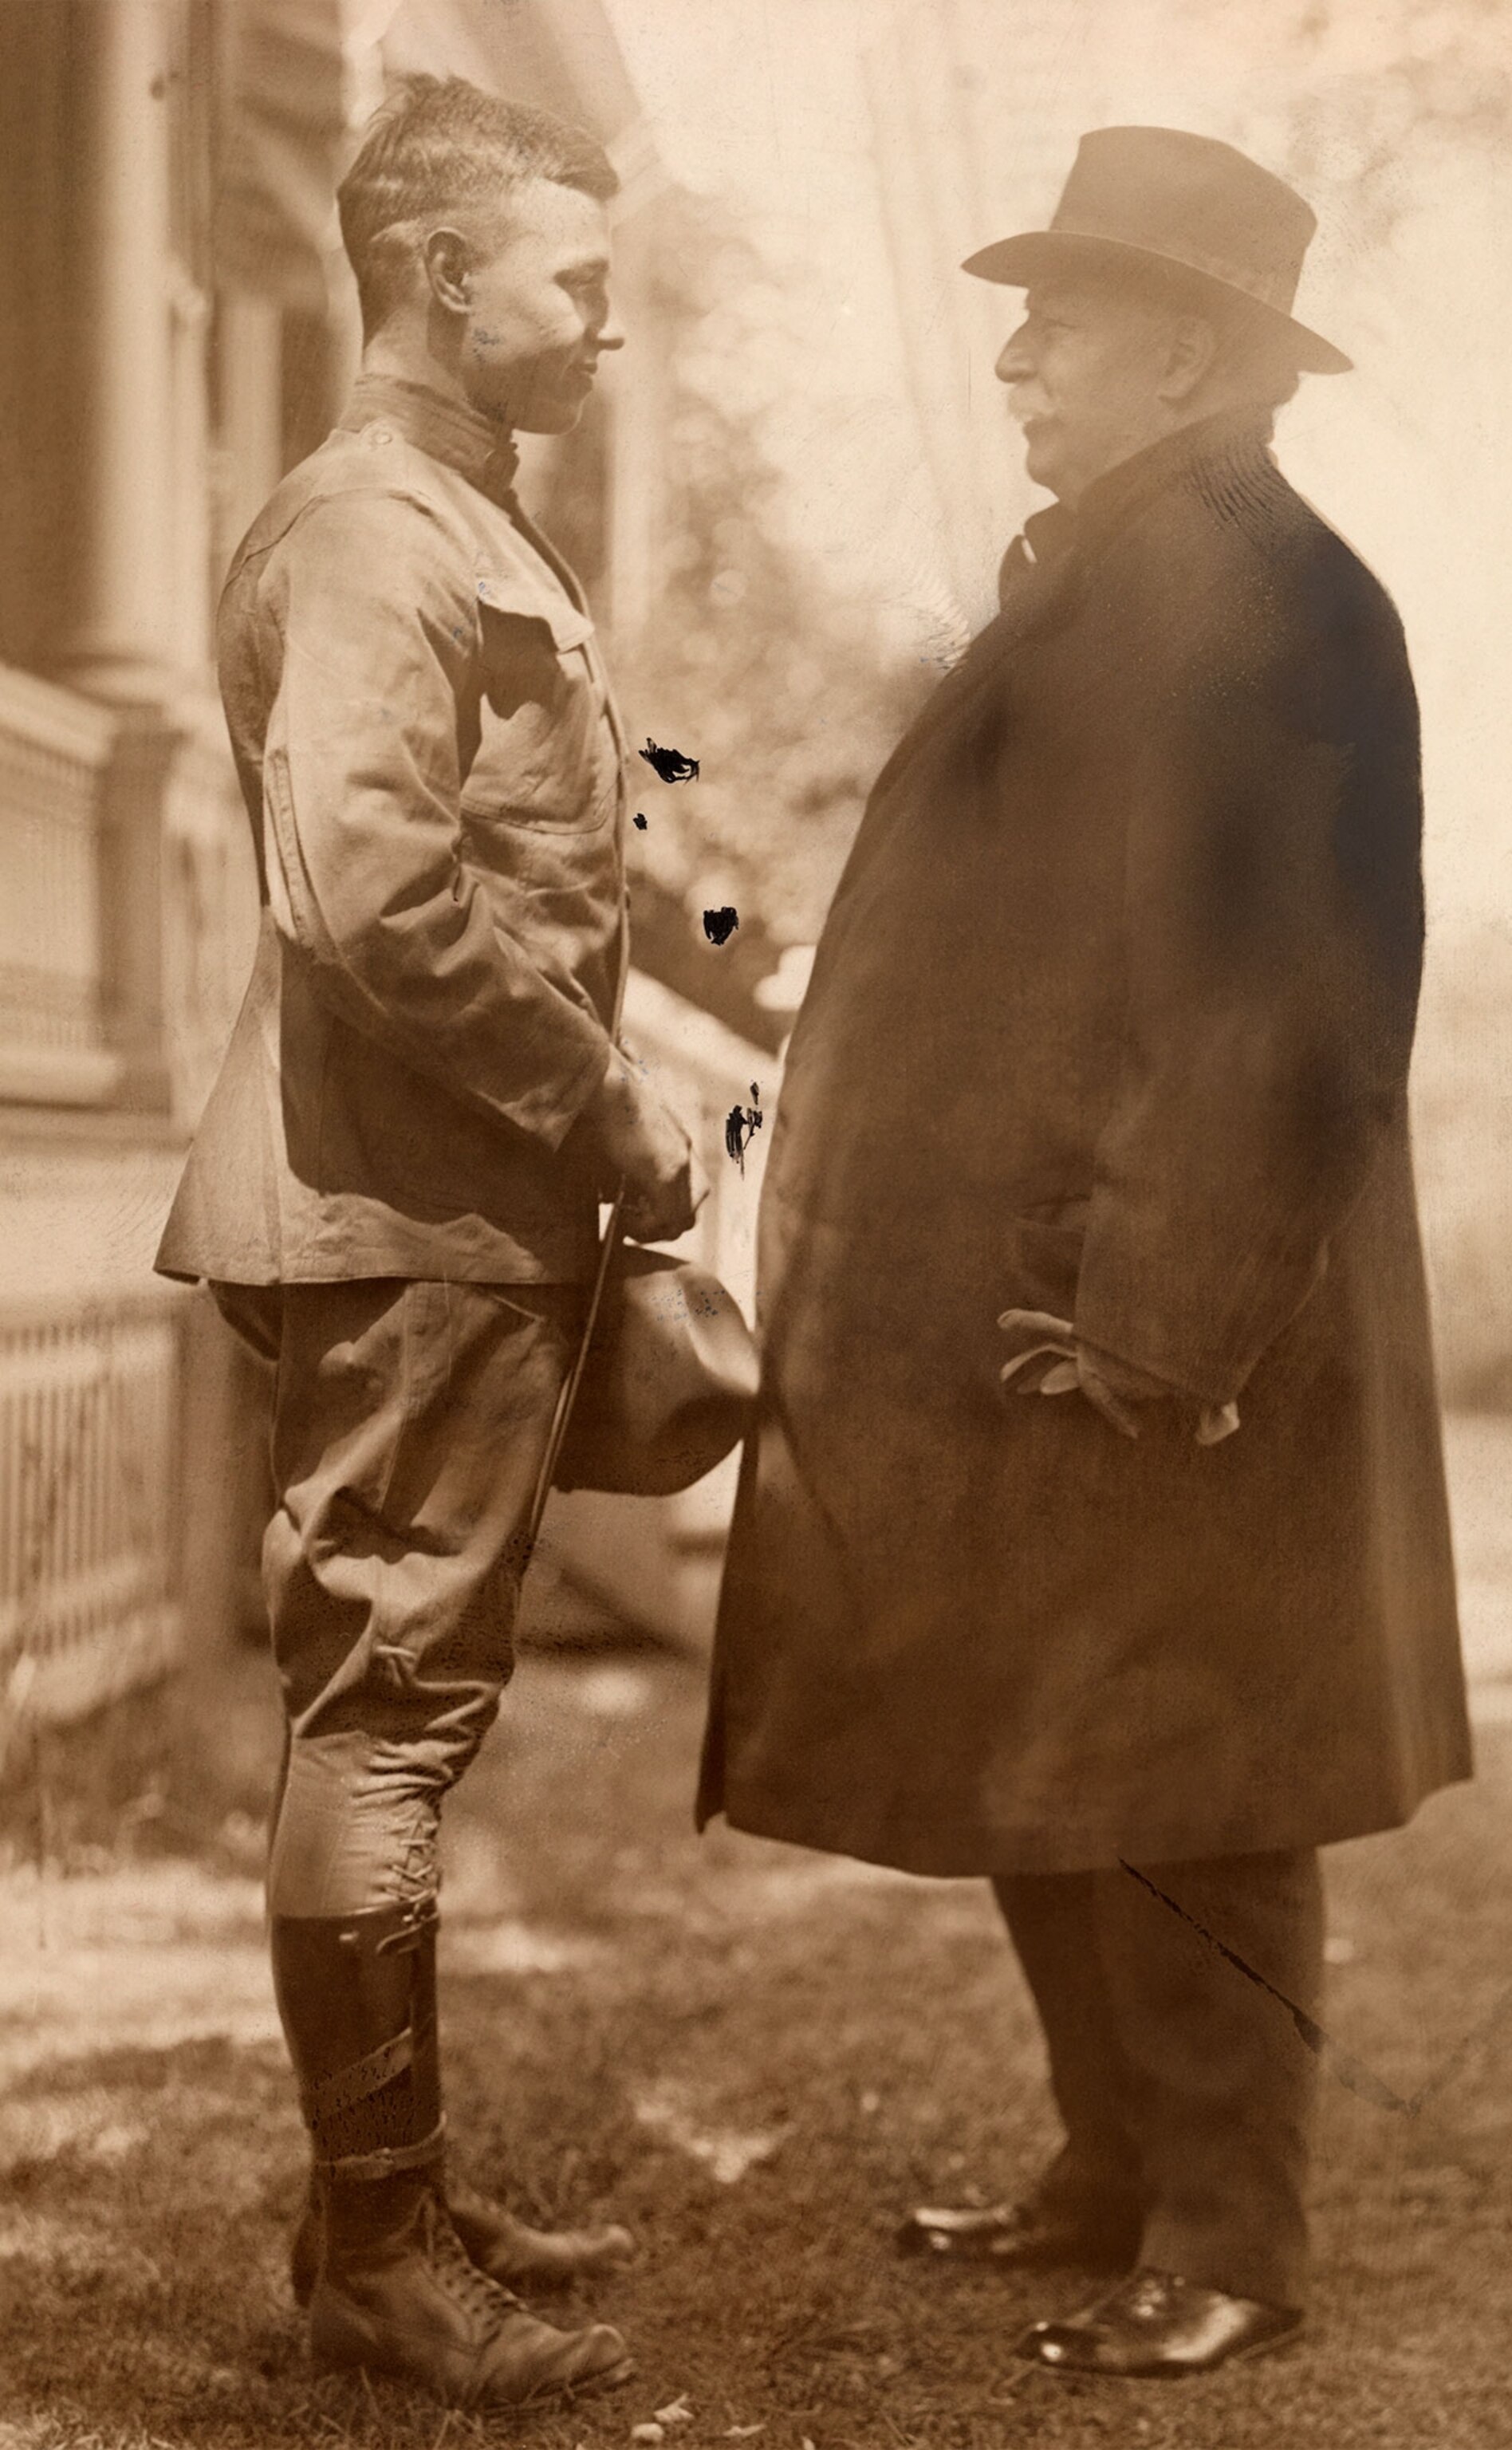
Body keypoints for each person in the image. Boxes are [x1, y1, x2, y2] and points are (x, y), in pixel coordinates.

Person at [700, 126, 1471, 2379]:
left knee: (1191, 1779)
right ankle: (1109, 2170)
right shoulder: (1123, 571)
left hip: (1167, 1317)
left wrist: (1162, 1323)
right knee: (1047, 1743)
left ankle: (1232, 2240)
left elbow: (1286, 1008)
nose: (1017, 359)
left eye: (1063, 321)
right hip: (1037, 1299)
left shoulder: (1276, 599)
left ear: (1192, 358)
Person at [157, 74, 698, 2409]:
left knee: (407, 1714)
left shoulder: (462, 513)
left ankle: (375, 2206)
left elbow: (544, 854)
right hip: (409, 1209)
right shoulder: (379, 530)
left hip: (451, 1203)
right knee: (385, 1721)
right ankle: (378, 2263)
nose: (606, 323)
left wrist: (691, 993)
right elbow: (371, 894)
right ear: (444, 279)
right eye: (577, 282)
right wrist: (608, 1101)